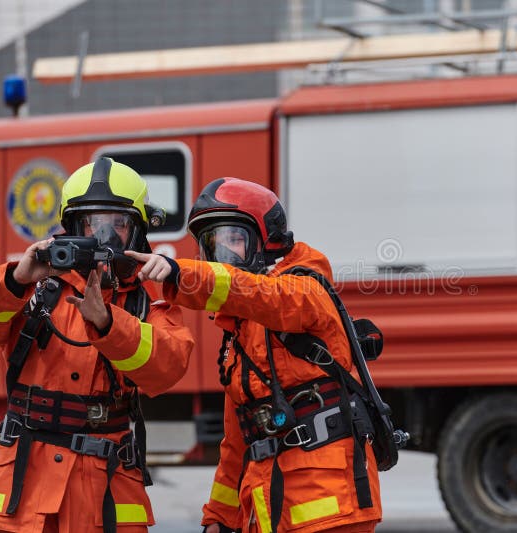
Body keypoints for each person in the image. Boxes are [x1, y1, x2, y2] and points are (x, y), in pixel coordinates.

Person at [0, 157, 194, 533]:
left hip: (105, 490)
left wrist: (107, 323)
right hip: (28, 490)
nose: (104, 237)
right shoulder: (34, 289)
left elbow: (167, 366)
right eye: (92, 224)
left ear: (138, 232)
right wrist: (15, 279)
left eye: (118, 225)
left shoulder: (145, 303)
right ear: (72, 227)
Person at [127, 178, 383, 533]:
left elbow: (266, 296)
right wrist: (219, 517)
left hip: (330, 506)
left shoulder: (305, 289)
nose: (224, 256)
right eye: (212, 245)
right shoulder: (242, 329)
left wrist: (183, 273)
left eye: (234, 239)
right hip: (271, 502)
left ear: (267, 240)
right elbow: (239, 440)